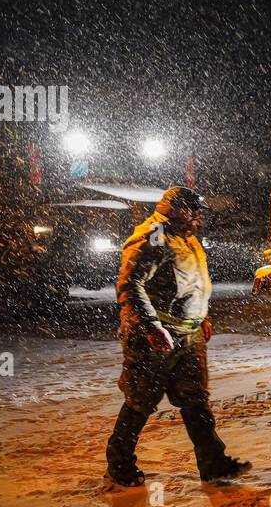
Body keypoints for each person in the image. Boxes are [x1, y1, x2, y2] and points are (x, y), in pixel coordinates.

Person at [104, 186, 248, 486]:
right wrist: (151, 327)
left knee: (195, 401)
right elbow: (131, 285)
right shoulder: (154, 236)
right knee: (140, 401)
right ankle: (120, 464)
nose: (197, 216)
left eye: (197, 210)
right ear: (174, 208)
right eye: (190, 210)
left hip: (188, 335)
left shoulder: (188, 239)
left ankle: (214, 464)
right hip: (155, 338)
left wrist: (202, 316)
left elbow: (193, 284)